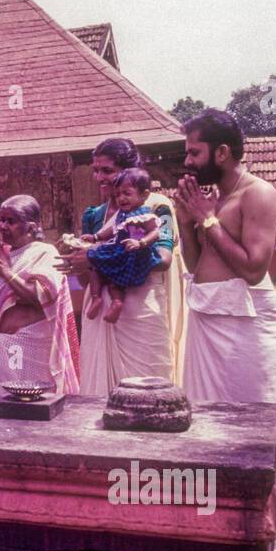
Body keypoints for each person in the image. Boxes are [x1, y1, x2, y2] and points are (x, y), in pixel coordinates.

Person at [170, 109, 276, 551]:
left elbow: (252, 268)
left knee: (263, 431)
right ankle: (219, 539)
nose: (187, 160)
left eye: (194, 151)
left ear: (222, 153)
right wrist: (189, 223)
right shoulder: (215, 197)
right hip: (207, 316)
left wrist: (206, 219)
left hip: (248, 323)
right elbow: (195, 261)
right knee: (204, 426)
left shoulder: (259, 194)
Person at [60, 138, 186, 394]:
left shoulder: (156, 207)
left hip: (140, 307)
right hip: (99, 308)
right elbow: (86, 279)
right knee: (98, 395)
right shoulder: (94, 216)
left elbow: (163, 260)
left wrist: (97, 256)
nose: (99, 177)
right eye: (96, 170)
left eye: (107, 170)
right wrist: (78, 261)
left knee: (147, 392)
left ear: (129, 171)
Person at [0, 195, 80, 419]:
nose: (3, 226)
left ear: (31, 226)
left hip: (28, 348)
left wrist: (7, 272)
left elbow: (40, 296)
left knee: (25, 411)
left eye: (11, 221)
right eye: (2, 220)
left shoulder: (45, 253)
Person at [82, 167, 164, 323]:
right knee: (95, 266)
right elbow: (113, 230)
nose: (121, 198)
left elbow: (155, 232)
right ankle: (96, 298)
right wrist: (95, 237)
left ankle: (117, 302)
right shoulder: (122, 215)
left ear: (144, 195)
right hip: (119, 250)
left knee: (116, 281)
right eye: (118, 194)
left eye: (127, 194)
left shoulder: (144, 215)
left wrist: (141, 242)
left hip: (134, 253)